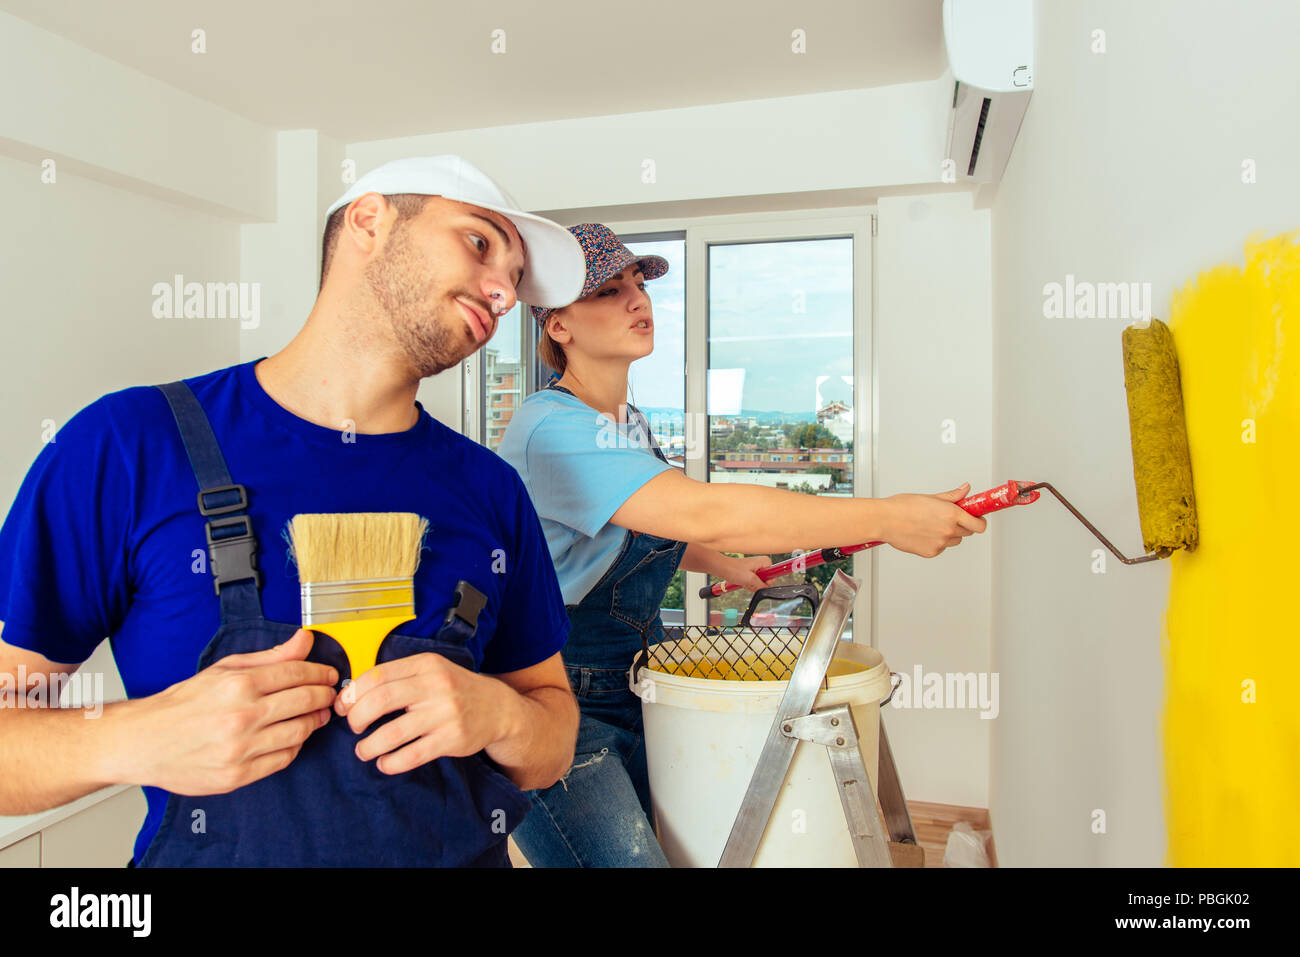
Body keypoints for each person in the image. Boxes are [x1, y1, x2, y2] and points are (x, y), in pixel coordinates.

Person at [0, 155, 586, 867]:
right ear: (369, 220)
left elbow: (552, 739)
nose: (503, 292)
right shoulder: (128, 445)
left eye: (516, 282)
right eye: (480, 242)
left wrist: (497, 714)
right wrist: (139, 736)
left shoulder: (491, 490)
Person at [498, 223, 988, 867]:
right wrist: (890, 518)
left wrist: (728, 564)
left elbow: (646, 521)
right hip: (555, 691)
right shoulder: (553, 427)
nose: (637, 300)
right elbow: (703, 511)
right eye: (609, 291)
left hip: (634, 679)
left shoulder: (625, 423)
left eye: (638, 284)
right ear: (558, 325)